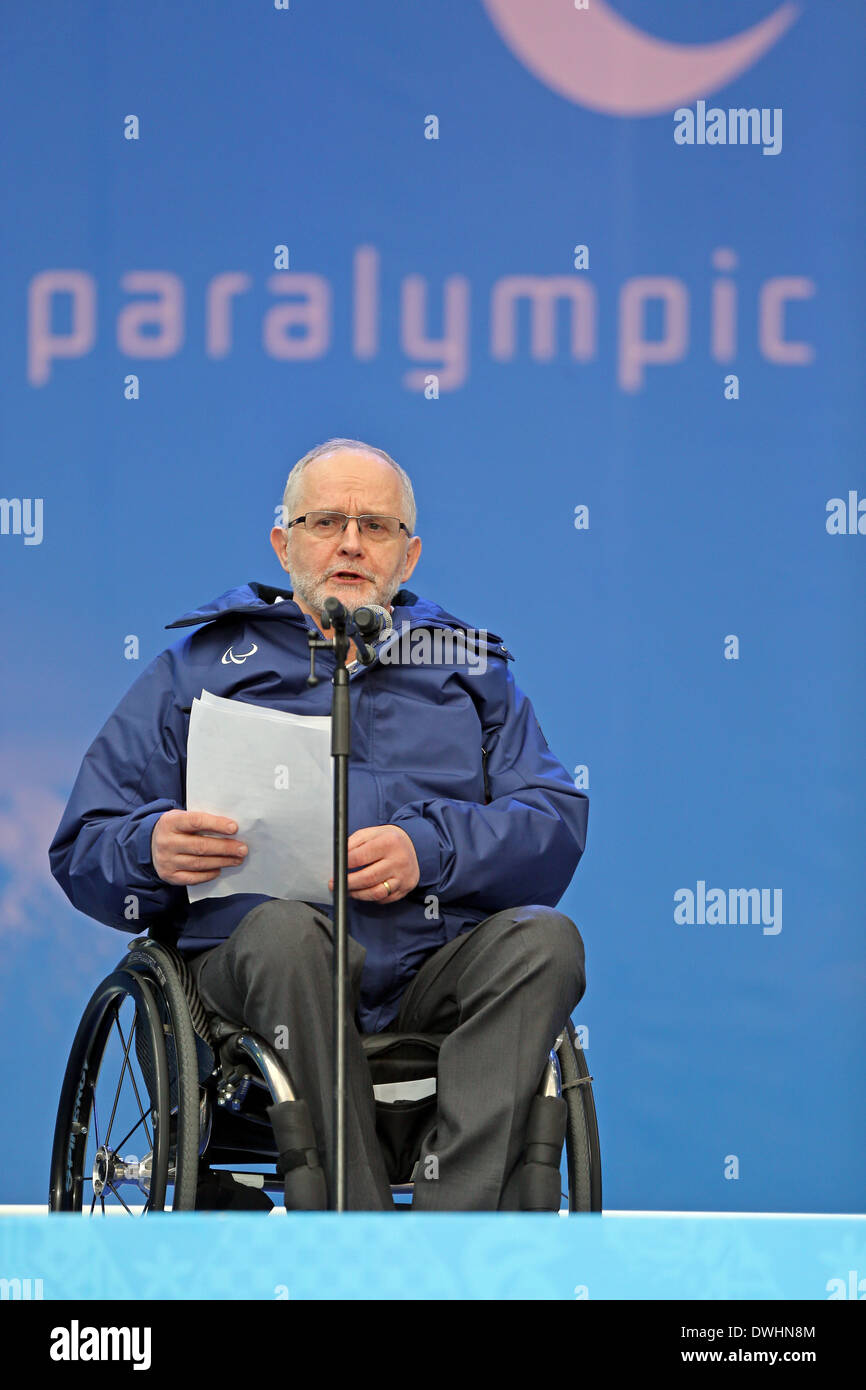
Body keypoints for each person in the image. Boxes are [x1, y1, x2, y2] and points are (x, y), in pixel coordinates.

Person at [49, 437, 589, 1211]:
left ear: (409, 556)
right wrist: (150, 848)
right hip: (257, 974)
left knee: (546, 941)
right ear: (284, 541)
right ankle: (354, 1243)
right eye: (325, 521)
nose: (349, 544)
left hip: (427, 974)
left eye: (376, 527)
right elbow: (83, 845)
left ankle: (461, 1242)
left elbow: (553, 822)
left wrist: (428, 850)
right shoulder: (197, 667)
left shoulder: (471, 671)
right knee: (286, 935)